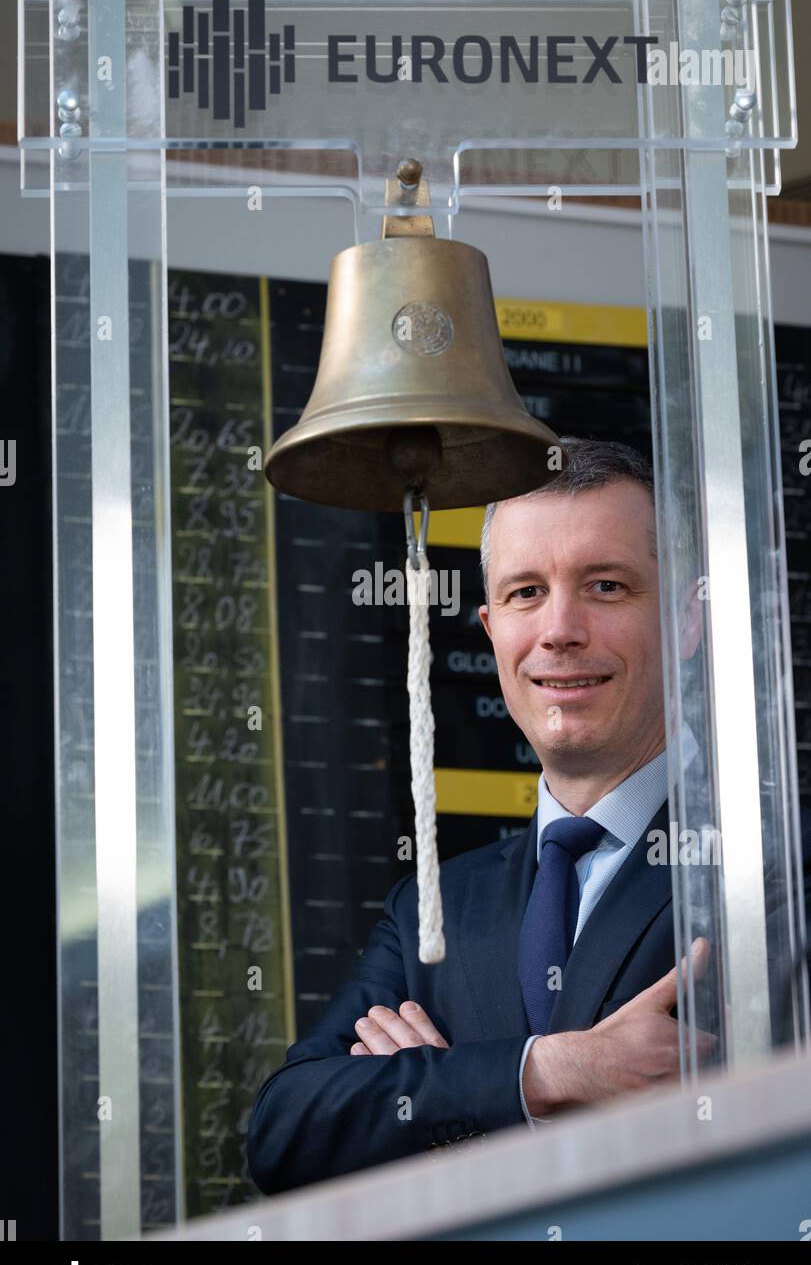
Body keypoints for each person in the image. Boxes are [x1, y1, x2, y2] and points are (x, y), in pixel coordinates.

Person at [247, 436, 811, 1195]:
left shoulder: (779, 865)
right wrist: (548, 1072)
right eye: (524, 593)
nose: (558, 630)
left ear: (684, 619)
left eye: (605, 586)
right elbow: (285, 1133)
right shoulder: (437, 908)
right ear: (490, 630)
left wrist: (436, 1100)